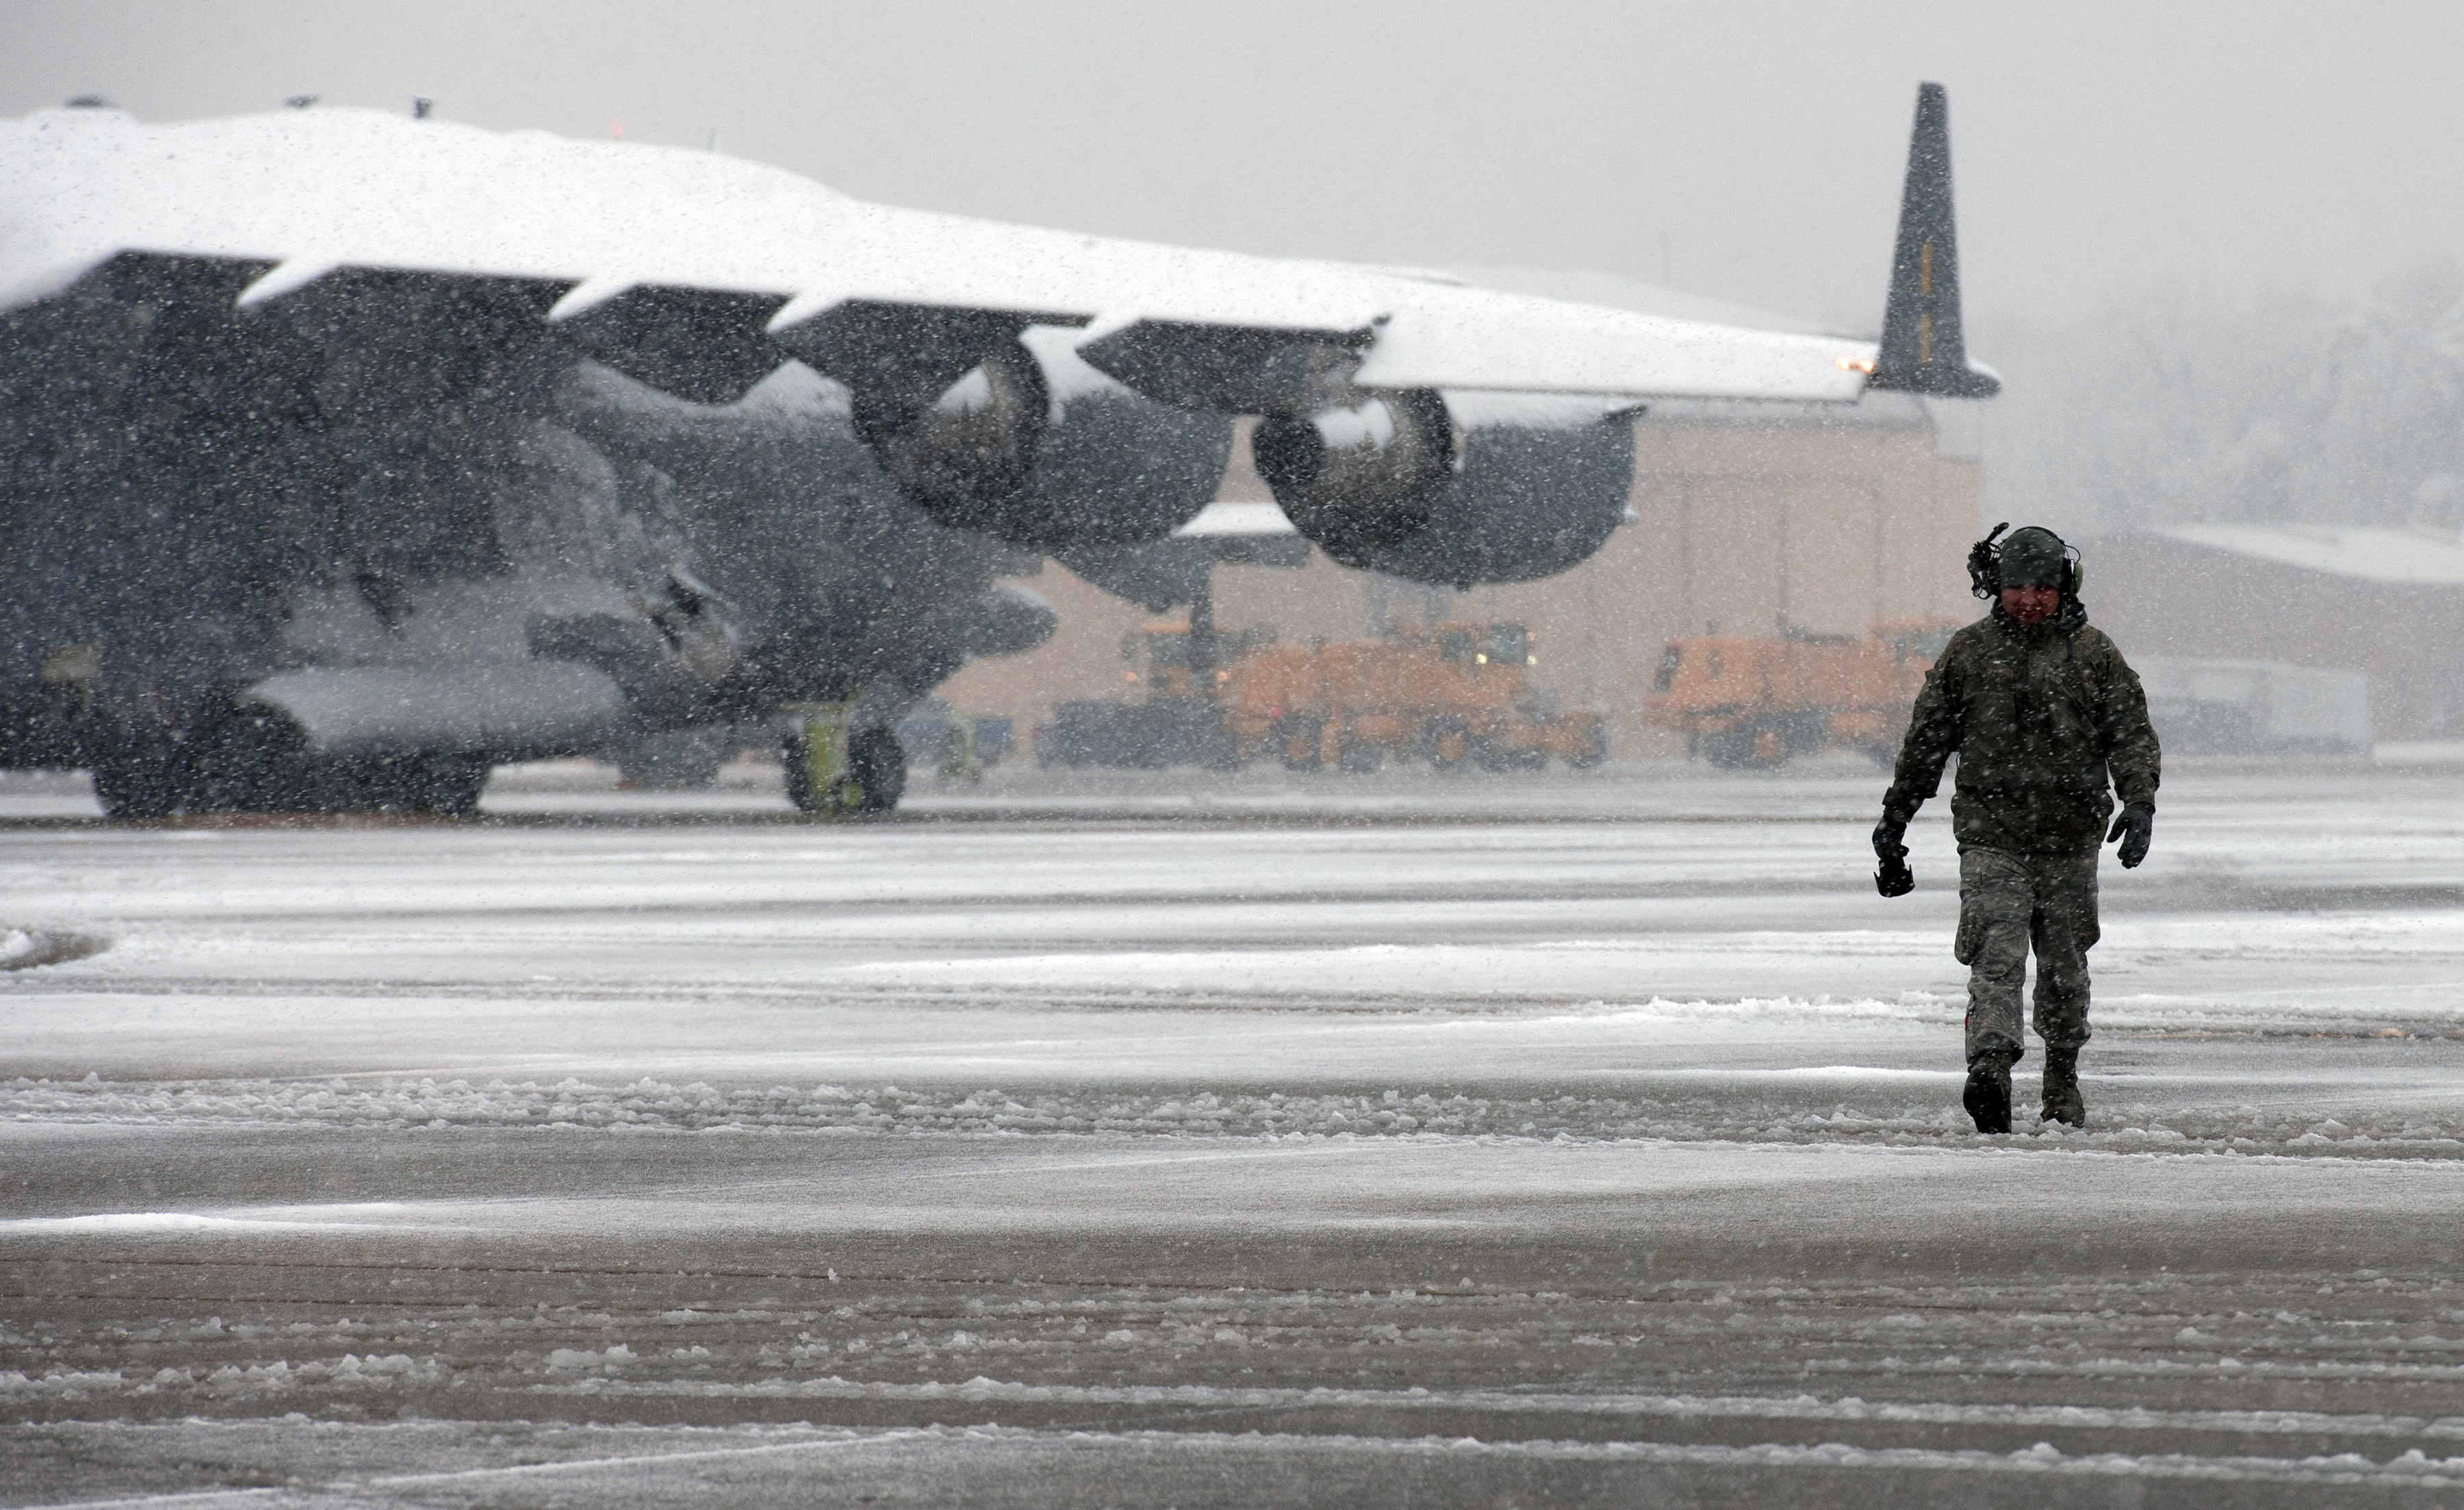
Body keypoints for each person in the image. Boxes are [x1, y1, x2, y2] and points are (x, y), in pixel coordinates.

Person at [1871, 525, 2161, 1134]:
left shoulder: (2095, 656)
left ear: (2065, 587)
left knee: (2064, 966)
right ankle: (1991, 1069)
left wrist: (2140, 804)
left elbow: (2129, 732)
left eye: (2041, 588)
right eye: (2015, 587)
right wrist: (1894, 822)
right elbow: (1926, 744)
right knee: (1995, 959)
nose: (2029, 599)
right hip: (1991, 837)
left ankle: (2062, 1081)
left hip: (2070, 841)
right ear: (1994, 589)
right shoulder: (1969, 655)